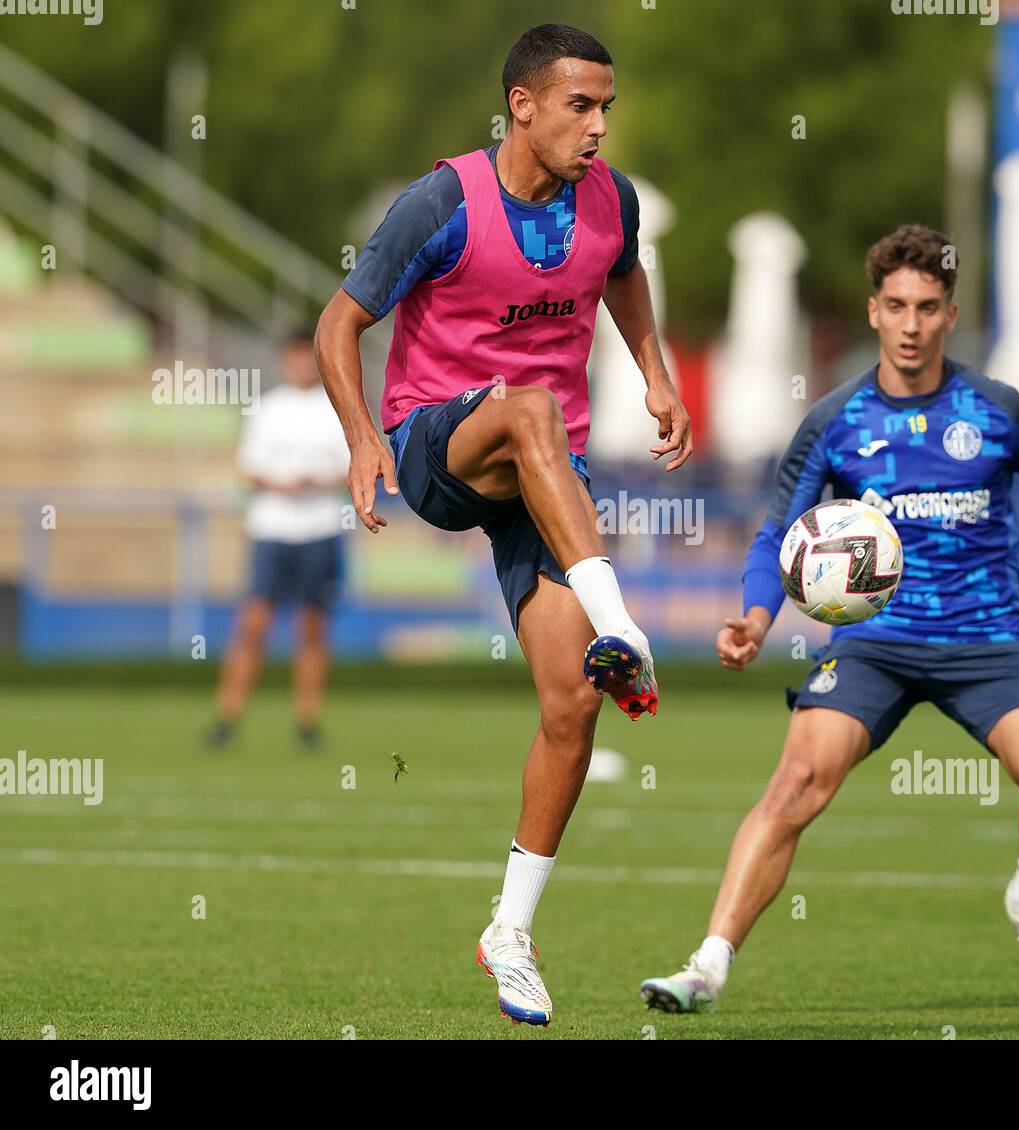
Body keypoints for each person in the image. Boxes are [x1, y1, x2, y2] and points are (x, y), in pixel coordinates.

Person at [640, 224, 1019, 1014]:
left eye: (930, 307)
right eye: (898, 306)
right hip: (872, 645)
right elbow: (779, 530)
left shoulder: (1002, 411)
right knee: (794, 784)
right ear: (874, 311)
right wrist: (755, 617)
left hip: (986, 642)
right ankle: (705, 966)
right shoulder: (836, 421)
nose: (912, 324)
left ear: (950, 314)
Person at [314, 24, 692, 1027]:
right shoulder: (440, 201)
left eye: (607, 106)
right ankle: (625, 618)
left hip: (543, 475)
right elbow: (337, 322)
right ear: (521, 105)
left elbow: (625, 272)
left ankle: (510, 931)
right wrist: (361, 437)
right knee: (528, 405)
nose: (599, 126)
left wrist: (654, 370)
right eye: (581, 105)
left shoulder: (612, 201)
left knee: (572, 705)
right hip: (442, 447)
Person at [204, 331, 351, 751]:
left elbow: (352, 465)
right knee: (253, 624)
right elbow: (248, 467)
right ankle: (227, 716)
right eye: (295, 357)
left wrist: (315, 482)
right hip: (271, 528)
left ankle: (307, 722)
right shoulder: (267, 408)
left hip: (320, 527)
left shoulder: (336, 408)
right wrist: (280, 484)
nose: (301, 364)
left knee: (312, 626)